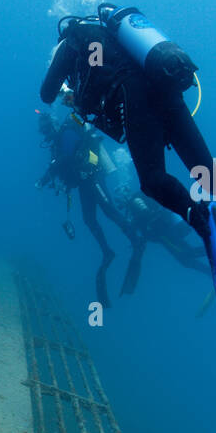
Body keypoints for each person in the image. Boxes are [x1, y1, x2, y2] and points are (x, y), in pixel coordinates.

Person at [39, 3, 216, 372]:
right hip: (166, 91)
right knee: (211, 176)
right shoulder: (123, 41)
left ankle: (204, 219)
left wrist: (67, 80)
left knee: (151, 179)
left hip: (135, 96)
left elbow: (46, 93)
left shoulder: (73, 43)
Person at [35, 111, 137, 307]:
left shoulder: (67, 131)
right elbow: (63, 165)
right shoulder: (57, 142)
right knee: (89, 220)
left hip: (92, 177)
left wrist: (45, 178)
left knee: (109, 211)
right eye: (43, 131)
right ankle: (107, 250)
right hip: (83, 183)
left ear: (54, 125)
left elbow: (66, 158)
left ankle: (133, 237)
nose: (46, 134)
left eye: (47, 129)